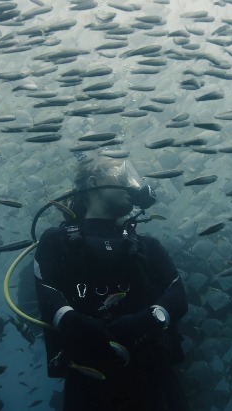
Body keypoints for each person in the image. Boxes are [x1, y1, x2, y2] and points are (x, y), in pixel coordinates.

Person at [34, 156, 189, 411]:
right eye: (122, 178)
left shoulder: (147, 245)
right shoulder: (56, 240)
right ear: (94, 183)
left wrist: (148, 319)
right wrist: (73, 321)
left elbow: (178, 295)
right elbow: (46, 291)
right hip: (89, 377)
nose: (132, 185)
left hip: (153, 373)